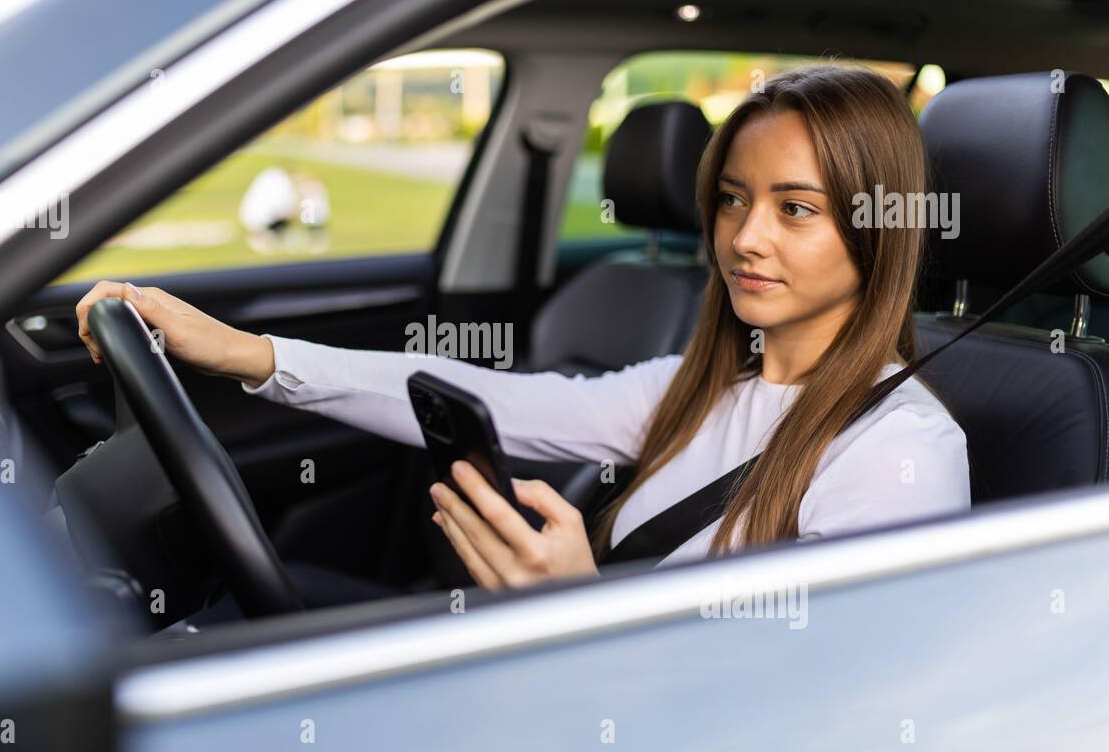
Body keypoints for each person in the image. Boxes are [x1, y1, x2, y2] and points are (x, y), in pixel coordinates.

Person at [75, 65, 970, 594]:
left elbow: (818, 724)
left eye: (796, 208)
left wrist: (579, 610)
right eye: (732, 199)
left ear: (876, 225)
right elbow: (492, 396)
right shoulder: (713, 384)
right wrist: (245, 354)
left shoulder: (903, 456)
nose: (745, 237)